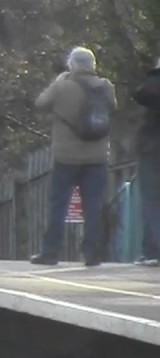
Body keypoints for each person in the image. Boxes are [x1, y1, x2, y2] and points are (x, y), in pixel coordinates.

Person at [31, 46, 117, 266]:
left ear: (73, 64)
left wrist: (59, 80)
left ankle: (50, 252)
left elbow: (40, 103)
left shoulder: (62, 86)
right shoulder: (106, 86)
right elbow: (112, 108)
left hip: (66, 157)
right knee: (93, 205)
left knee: (58, 205)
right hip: (97, 158)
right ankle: (92, 254)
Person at [133, 57, 160, 266]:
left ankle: (154, 250)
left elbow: (140, 94)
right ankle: (150, 248)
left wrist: (155, 72)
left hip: (153, 147)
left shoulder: (154, 82)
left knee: (151, 199)